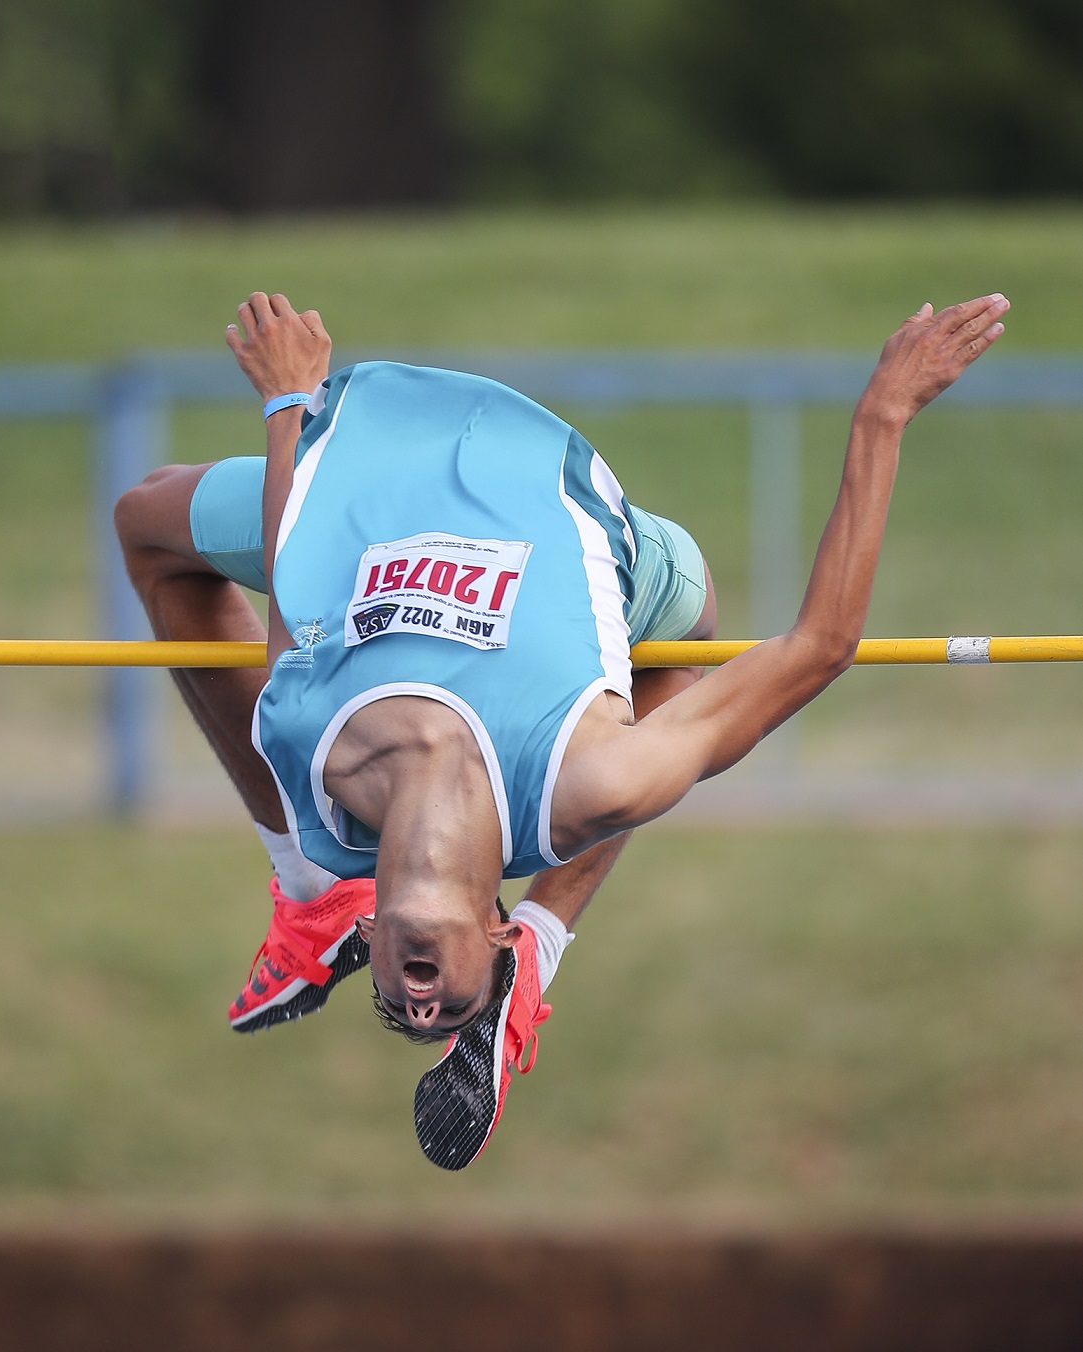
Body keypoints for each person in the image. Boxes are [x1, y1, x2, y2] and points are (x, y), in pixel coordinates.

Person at [115, 288, 1007, 1169]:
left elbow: (296, 572)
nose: (422, 1011)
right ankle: (546, 943)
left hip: (371, 470)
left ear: (376, 933)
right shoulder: (591, 781)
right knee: (682, 641)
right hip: (554, 483)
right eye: (451, 1011)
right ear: (492, 936)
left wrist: (287, 403)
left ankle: (309, 891)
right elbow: (818, 645)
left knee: (145, 516)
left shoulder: (316, 757)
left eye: (399, 1008)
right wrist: (883, 414)